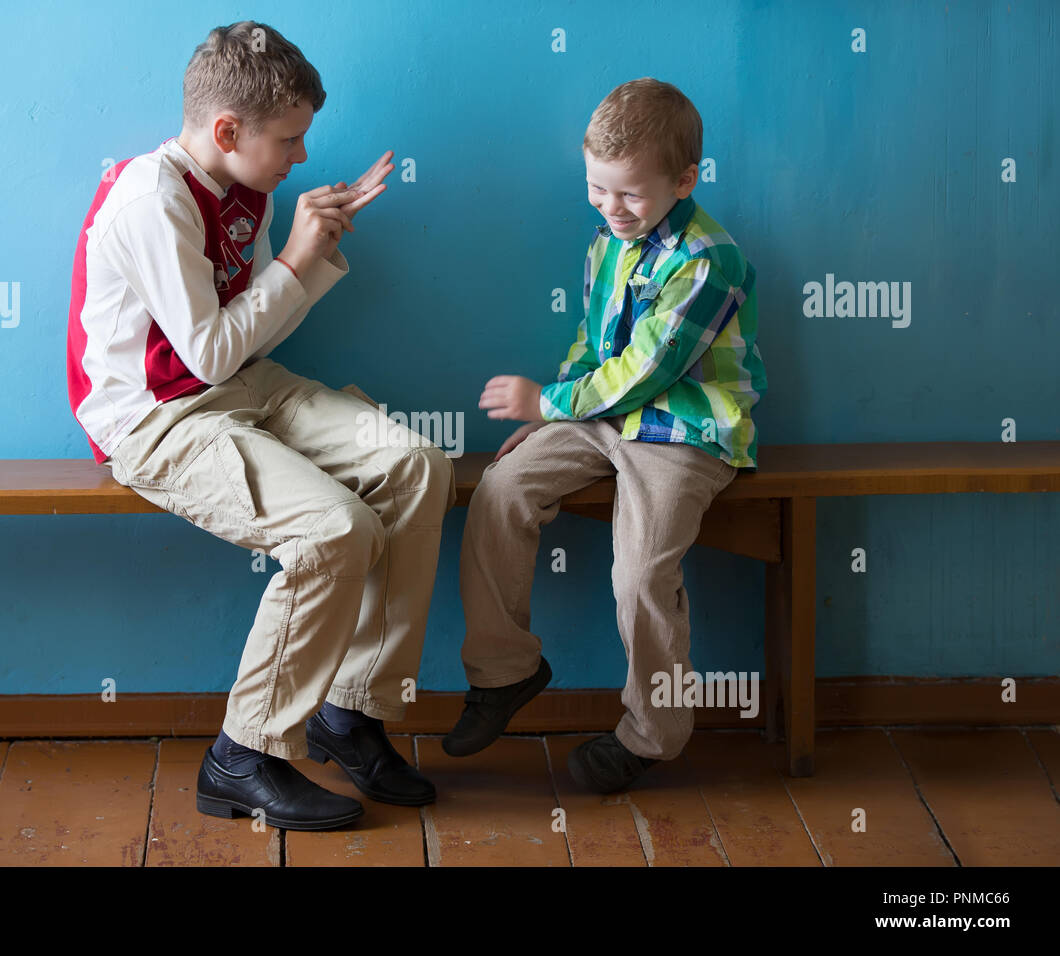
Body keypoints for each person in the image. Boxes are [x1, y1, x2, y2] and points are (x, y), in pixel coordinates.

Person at [66, 21, 455, 830]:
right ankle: (241, 757)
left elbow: (250, 335)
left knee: (417, 464)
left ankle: (350, 711)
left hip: (242, 383)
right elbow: (206, 354)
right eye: (291, 138)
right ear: (226, 131)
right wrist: (293, 261)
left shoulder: (250, 187)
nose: (302, 156)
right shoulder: (152, 200)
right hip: (157, 418)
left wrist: (310, 253)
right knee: (333, 532)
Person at [444, 78, 767, 794]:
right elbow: (592, 349)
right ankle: (505, 671)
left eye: (630, 195)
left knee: (642, 570)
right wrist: (544, 421)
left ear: (683, 181)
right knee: (503, 487)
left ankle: (653, 734)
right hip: (601, 418)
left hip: (682, 428)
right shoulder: (607, 244)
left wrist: (550, 401)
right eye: (597, 190)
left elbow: (648, 371)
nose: (611, 209)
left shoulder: (709, 260)